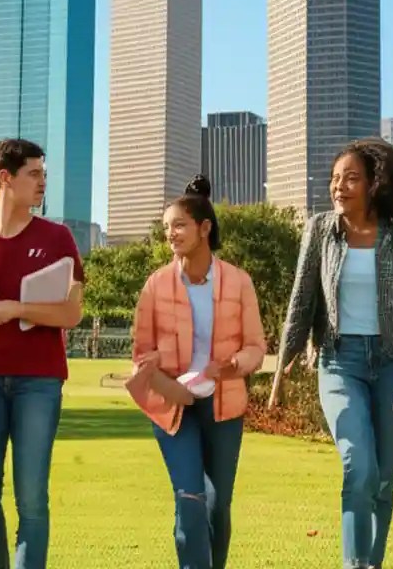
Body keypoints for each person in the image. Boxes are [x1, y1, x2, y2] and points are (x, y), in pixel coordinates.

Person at [269, 138, 393, 569]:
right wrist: (281, 370)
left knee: (385, 481)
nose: (339, 186)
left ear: (377, 183)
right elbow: (301, 300)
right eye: (335, 178)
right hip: (340, 362)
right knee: (359, 467)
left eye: (351, 178)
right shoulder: (320, 229)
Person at [0, 138, 85, 569]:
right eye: (34, 173)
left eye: (44, 173)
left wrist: (17, 309)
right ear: (5, 178)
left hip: (39, 384)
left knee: (31, 499)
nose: (43, 182)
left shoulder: (59, 238)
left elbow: (73, 312)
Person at [129, 176, 266, 569]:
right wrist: (168, 387)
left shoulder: (239, 282)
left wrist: (233, 366)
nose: (171, 233)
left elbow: (257, 346)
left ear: (205, 228)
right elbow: (141, 355)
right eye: (167, 226)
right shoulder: (156, 285)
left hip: (225, 406)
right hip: (173, 407)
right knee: (190, 496)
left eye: (179, 225)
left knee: (218, 506)